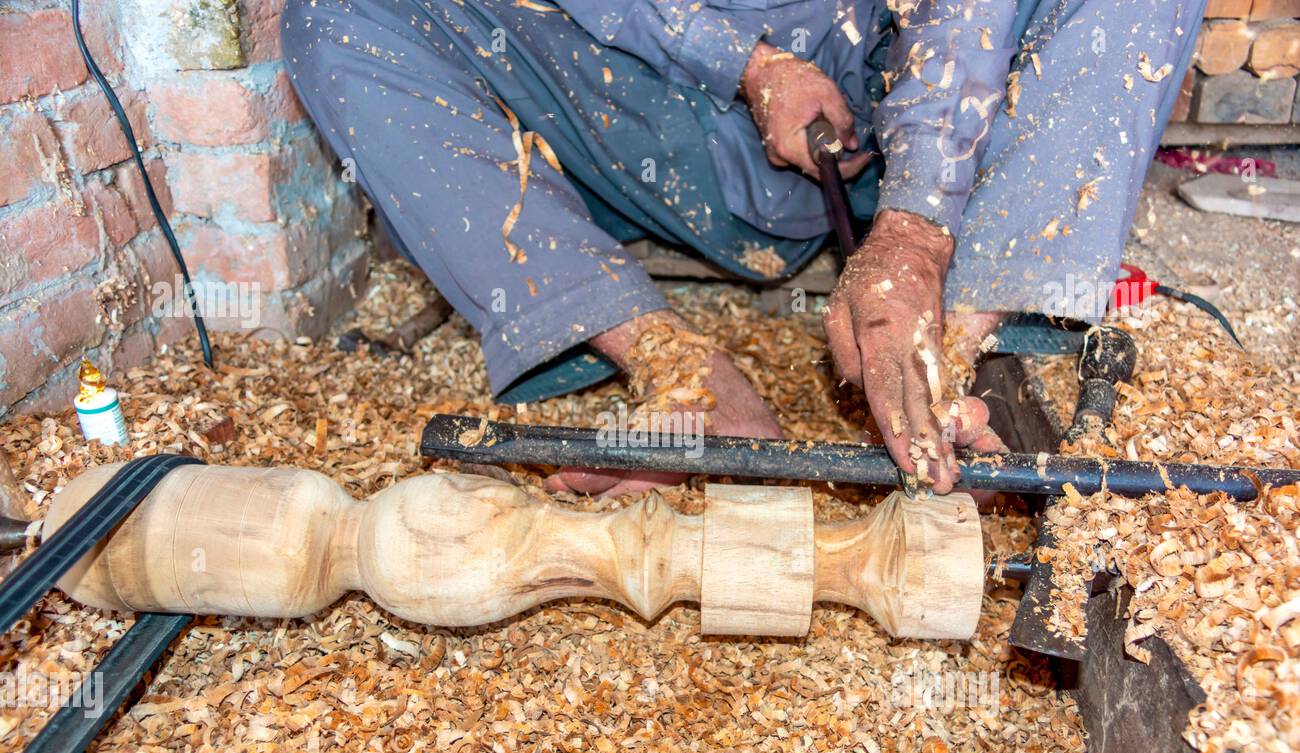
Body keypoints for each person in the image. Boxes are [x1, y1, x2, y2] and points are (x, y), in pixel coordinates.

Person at [282, 0, 1201, 494]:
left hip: (890, 110)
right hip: (651, 107)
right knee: (339, 12)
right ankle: (683, 373)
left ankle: (947, 350)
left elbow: (965, 20)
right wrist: (746, 64)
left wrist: (916, 226)